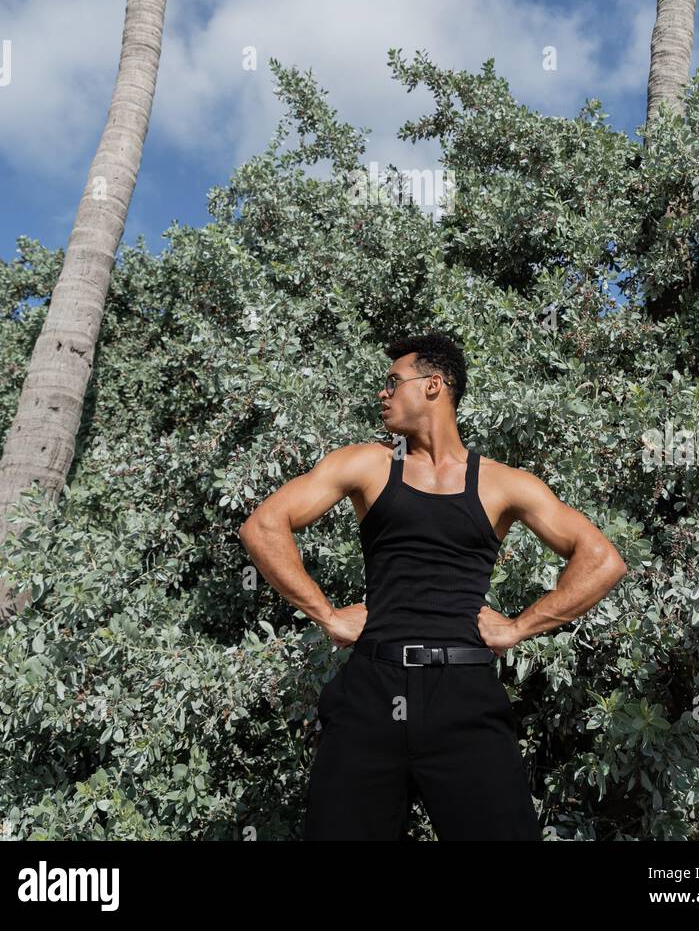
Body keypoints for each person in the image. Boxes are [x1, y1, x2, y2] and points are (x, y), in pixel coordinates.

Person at [238, 330, 627, 841]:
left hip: (464, 696)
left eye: (392, 382)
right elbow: (263, 526)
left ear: (433, 386)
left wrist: (518, 627)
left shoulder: (502, 483)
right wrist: (327, 615)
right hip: (370, 694)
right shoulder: (367, 464)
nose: (383, 393)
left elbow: (602, 559)